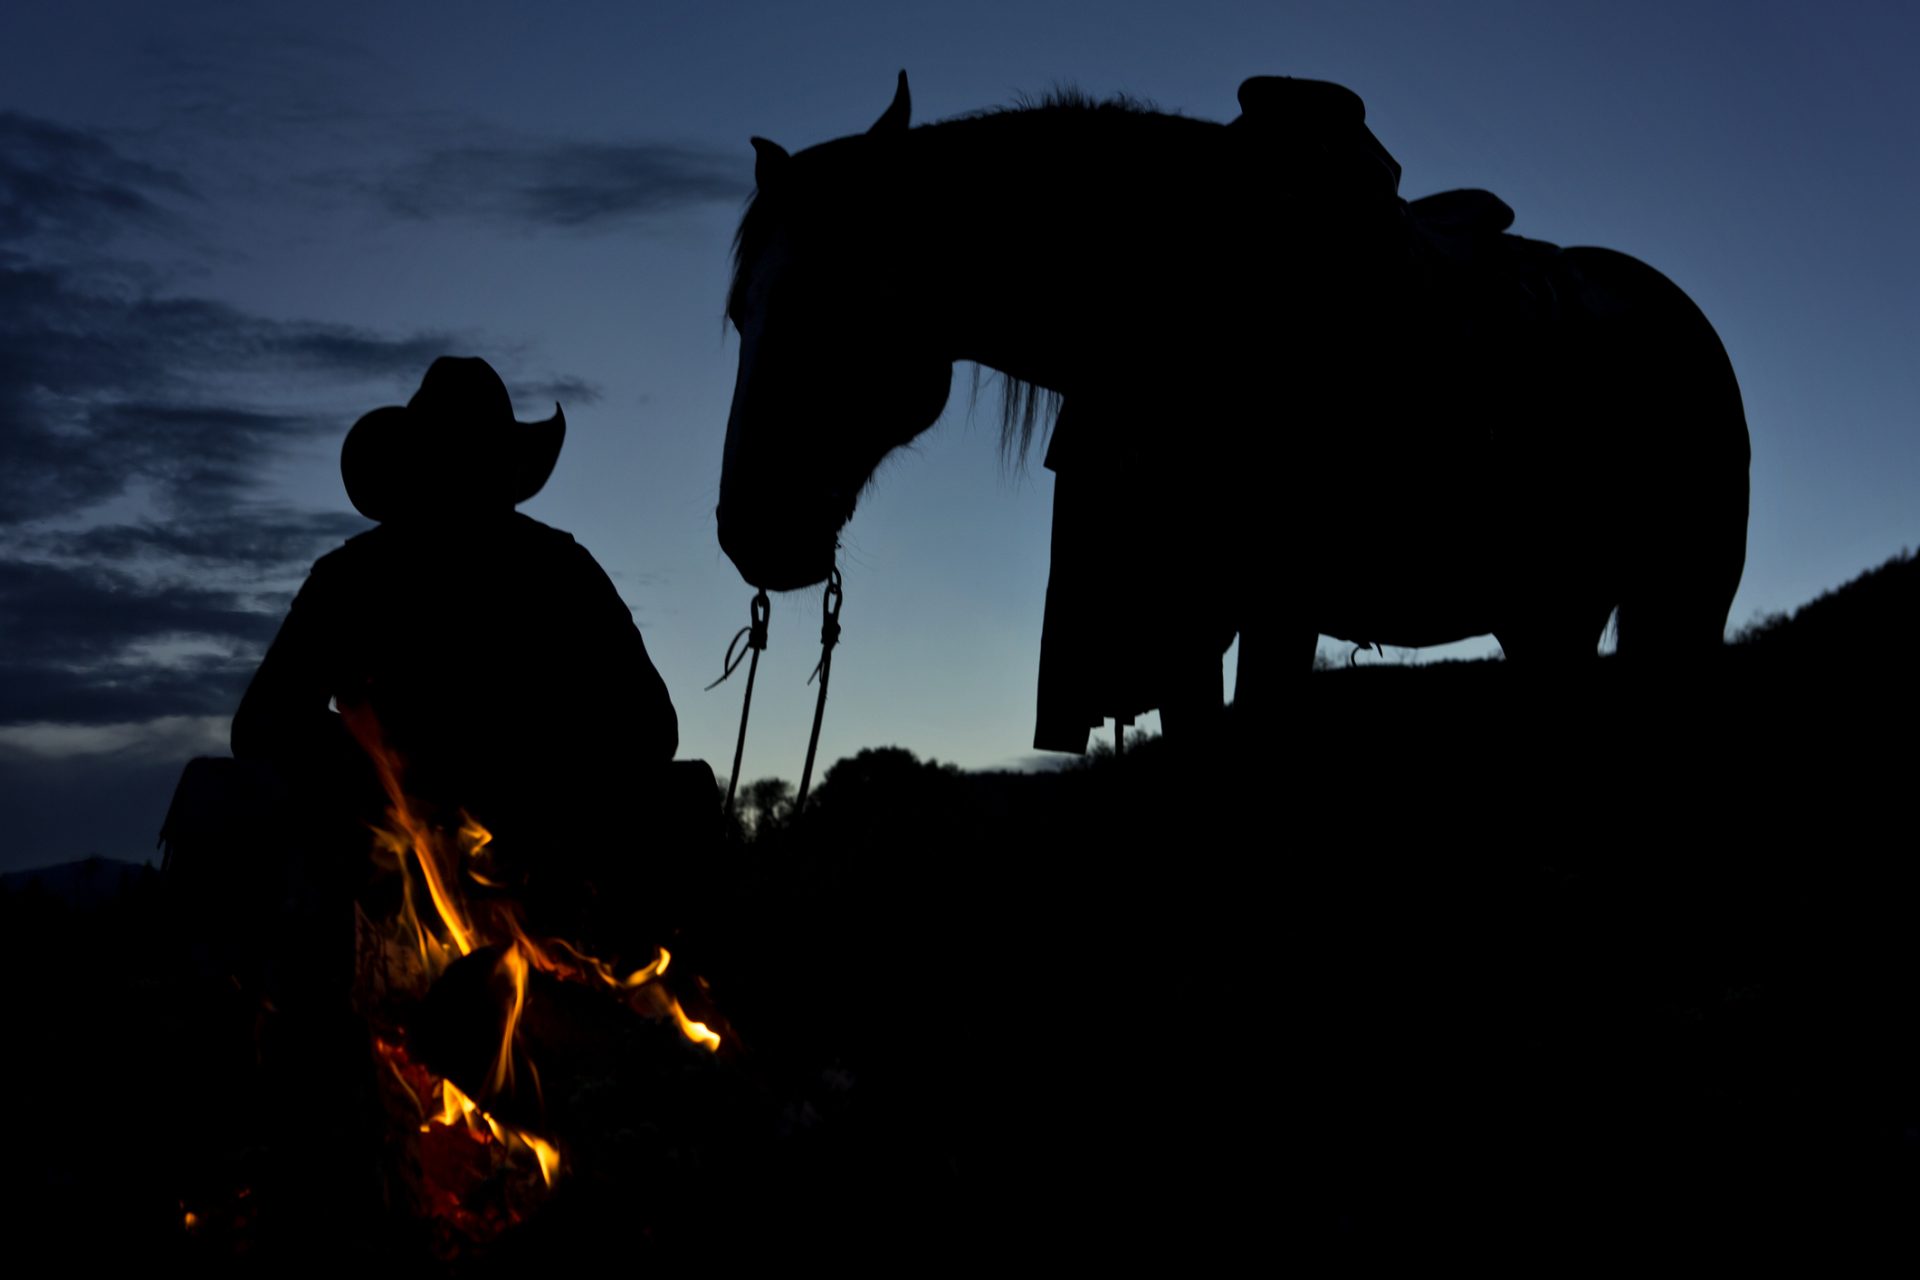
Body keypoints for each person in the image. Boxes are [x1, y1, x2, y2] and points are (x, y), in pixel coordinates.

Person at [231, 357, 683, 945]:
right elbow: (262, 725)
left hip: (547, 892)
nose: (461, 482)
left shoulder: (559, 573)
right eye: (449, 459)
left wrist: (530, 786)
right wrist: (393, 778)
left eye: (475, 460)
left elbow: (650, 728)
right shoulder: (352, 579)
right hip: (380, 890)